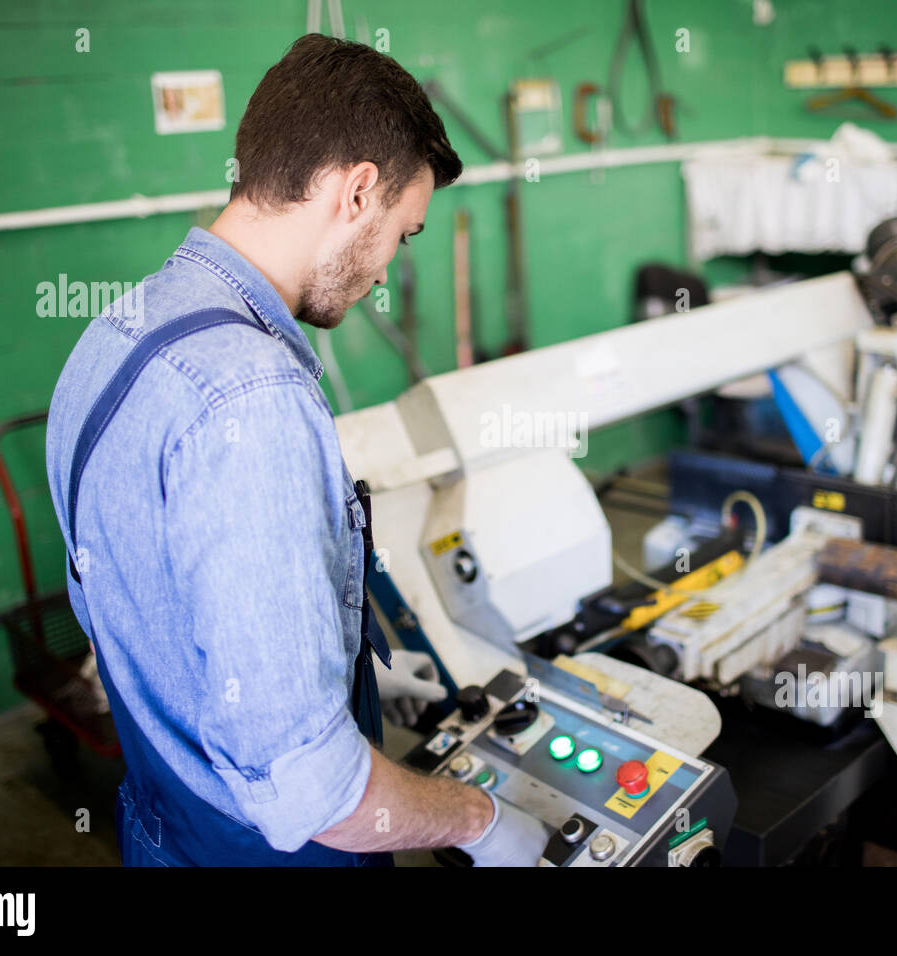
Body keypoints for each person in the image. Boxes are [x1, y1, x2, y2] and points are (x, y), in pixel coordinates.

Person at [45, 34, 547, 867]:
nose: (385, 269)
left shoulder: (114, 330)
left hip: (161, 826)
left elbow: (141, 610)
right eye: (404, 233)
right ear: (357, 192)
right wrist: (479, 821)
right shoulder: (254, 399)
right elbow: (313, 792)